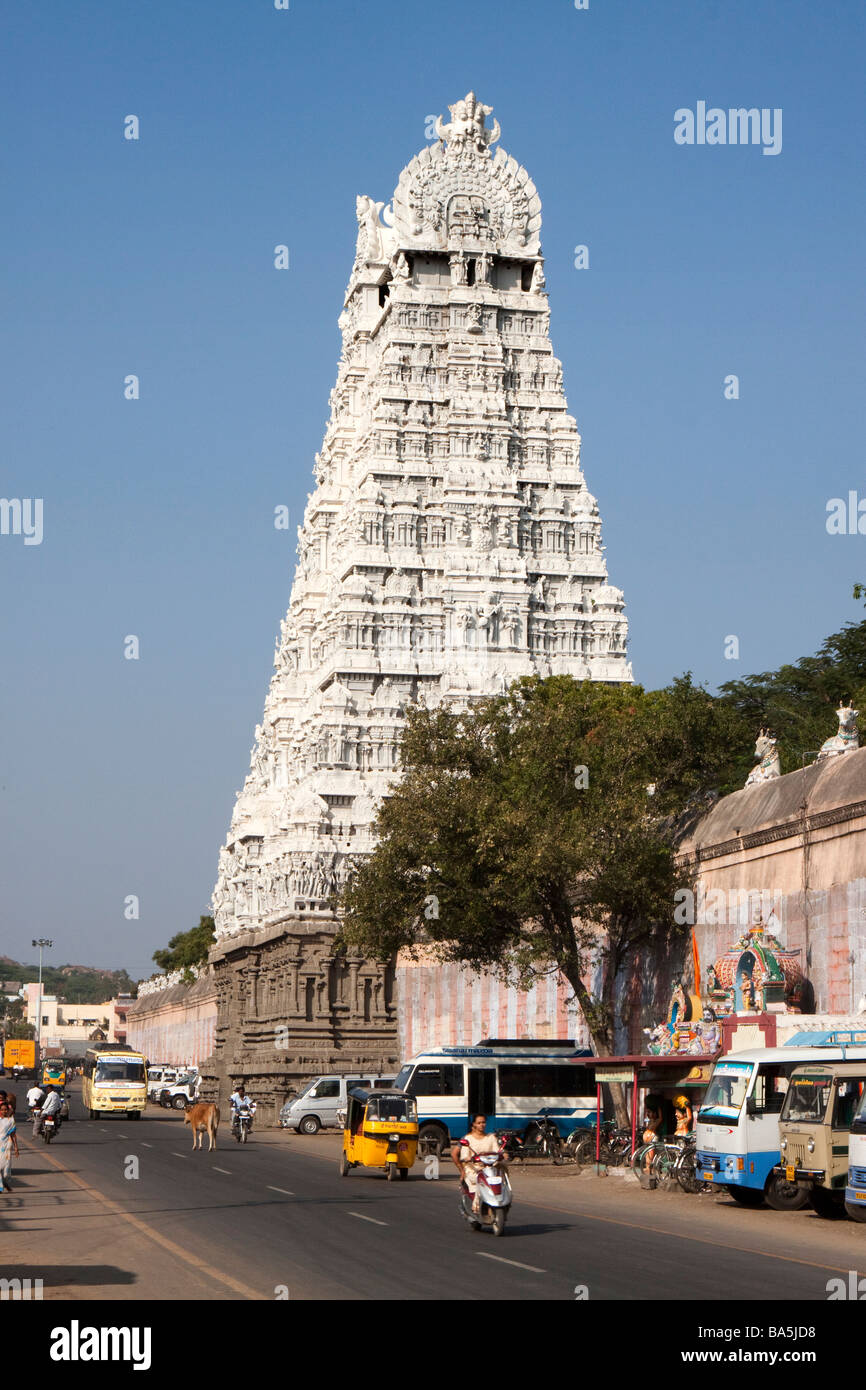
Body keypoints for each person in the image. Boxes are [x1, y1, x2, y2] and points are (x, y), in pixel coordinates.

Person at [451, 1114, 503, 1213]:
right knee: (480, 1181)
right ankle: (476, 1206)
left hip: (490, 1168)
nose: (482, 1125)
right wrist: (462, 1169)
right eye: (479, 1123)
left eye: (483, 1122)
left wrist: (503, 1154)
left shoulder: (491, 1137)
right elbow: (458, 1154)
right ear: (474, 1124)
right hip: (473, 1169)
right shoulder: (467, 1139)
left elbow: (498, 1151)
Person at [0, 1101, 19, 1193]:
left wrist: (16, 1147)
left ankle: (5, 1182)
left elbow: (13, 1135)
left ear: (7, 1111)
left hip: (7, 1146)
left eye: (5, 1110)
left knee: (6, 1169)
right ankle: (0, 1186)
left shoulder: (11, 1121)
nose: (3, 1111)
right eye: (2, 1110)